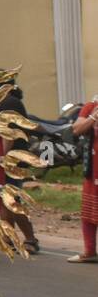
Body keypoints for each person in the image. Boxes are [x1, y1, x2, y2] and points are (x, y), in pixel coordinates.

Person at [0, 87, 40, 254]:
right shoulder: (10, 103)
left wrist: (1, 159)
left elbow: (9, 136)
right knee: (5, 201)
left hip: (10, 162)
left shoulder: (9, 104)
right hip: (12, 160)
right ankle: (8, 238)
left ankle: (30, 239)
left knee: (11, 202)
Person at [69, 96, 98, 263]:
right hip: (93, 168)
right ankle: (89, 251)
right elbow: (76, 129)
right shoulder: (91, 106)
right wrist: (94, 117)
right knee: (89, 210)